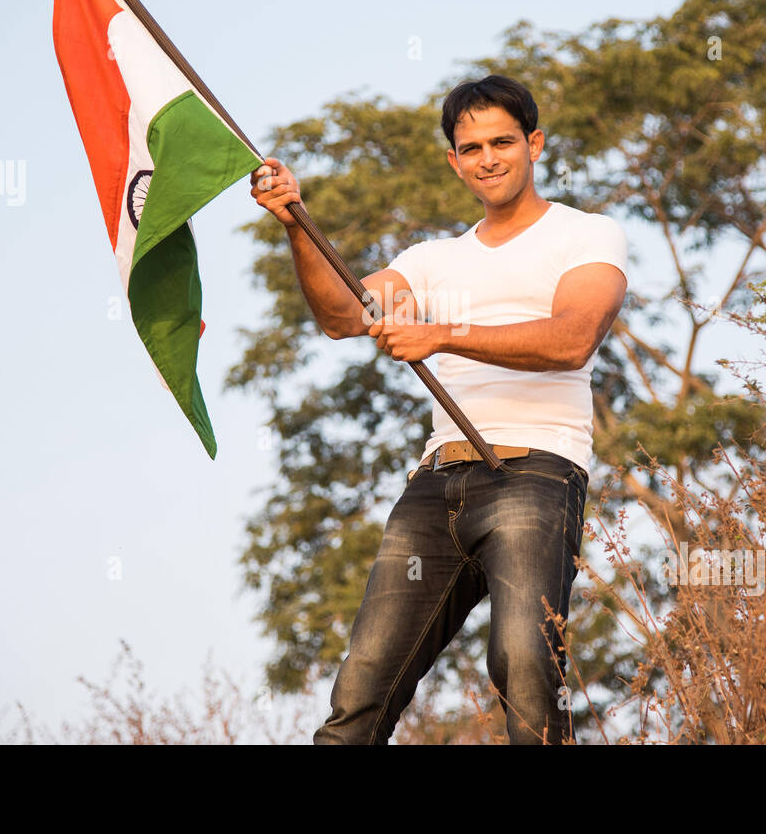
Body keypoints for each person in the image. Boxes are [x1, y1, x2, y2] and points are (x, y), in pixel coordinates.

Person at [249, 74, 628, 744]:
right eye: (471, 147)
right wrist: (296, 226)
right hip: (434, 487)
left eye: (502, 142)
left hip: (534, 476)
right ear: (454, 160)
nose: (487, 158)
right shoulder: (430, 259)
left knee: (523, 663)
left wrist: (442, 333)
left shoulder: (586, 234)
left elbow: (573, 338)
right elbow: (342, 315)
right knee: (360, 693)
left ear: (534, 144)